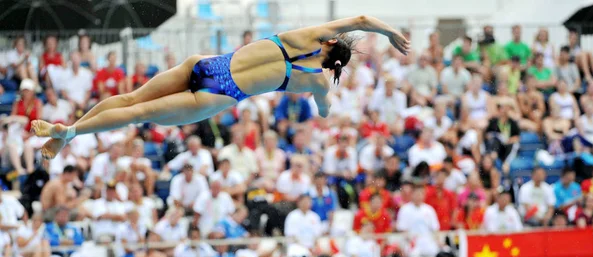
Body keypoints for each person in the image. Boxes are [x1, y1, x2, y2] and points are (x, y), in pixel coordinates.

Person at [32, 16, 410, 159]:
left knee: (131, 99)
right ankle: (72, 132)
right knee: (140, 114)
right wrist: (327, 94)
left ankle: (71, 130)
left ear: (329, 43)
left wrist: (389, 31)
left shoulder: (304, 36)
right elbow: (324, 113)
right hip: (221, 92)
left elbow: (360, 19)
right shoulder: (315, 81)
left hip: (207, 64)